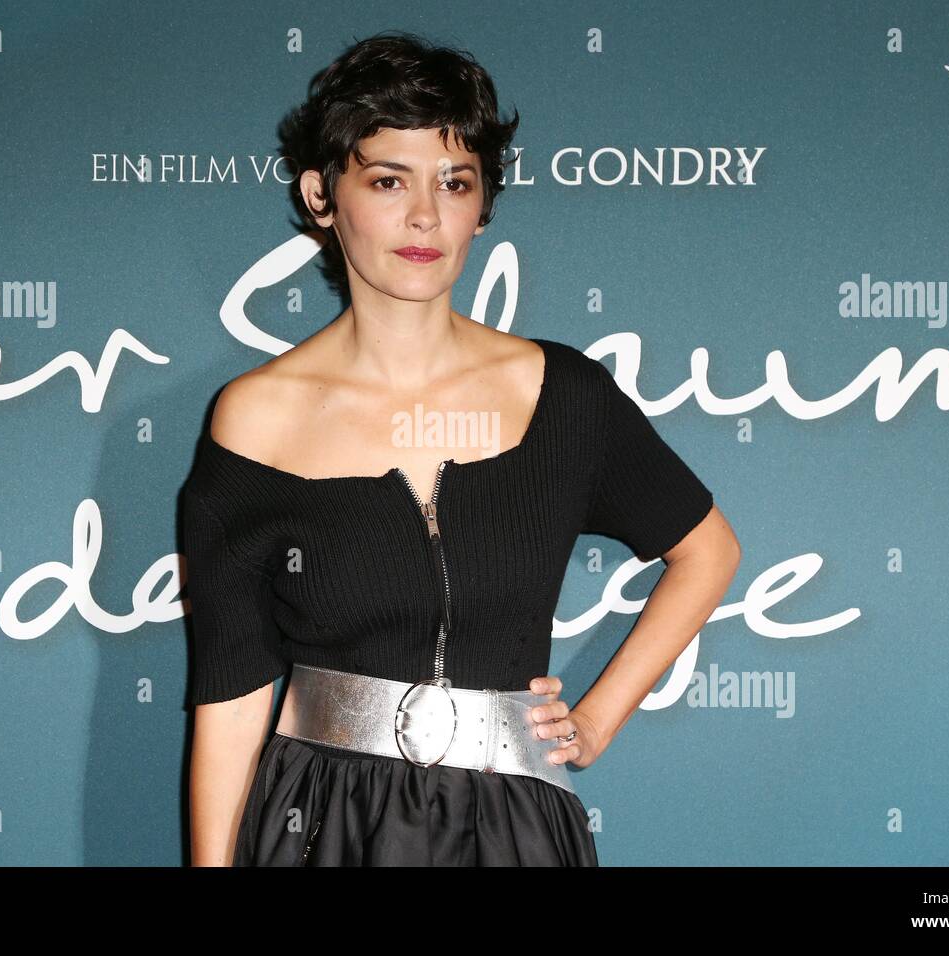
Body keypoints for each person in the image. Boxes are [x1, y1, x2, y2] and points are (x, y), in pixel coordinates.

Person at [185, 31, 741, 867]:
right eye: (386, 180)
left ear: (482, 204)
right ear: (321, 195)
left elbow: (709, 552)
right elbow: (230, 696)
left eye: (454, 183)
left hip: (516, 829)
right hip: (323, 829)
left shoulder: (567, 396)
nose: (424, 216)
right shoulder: (254, 418)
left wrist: (593, 722)